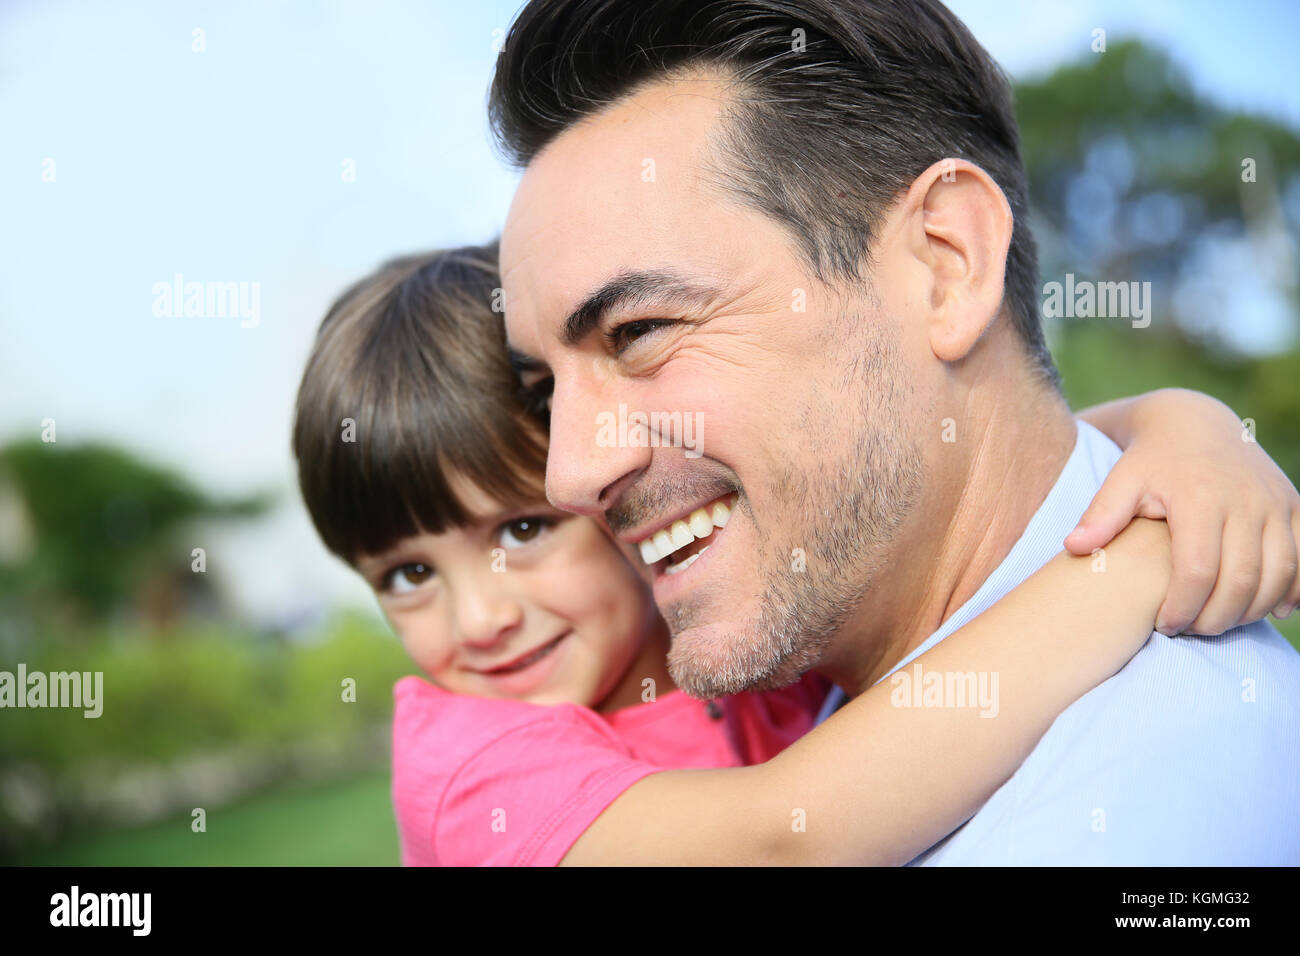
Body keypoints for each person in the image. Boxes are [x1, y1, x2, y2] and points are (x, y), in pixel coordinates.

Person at [491, 0, 1300, 862]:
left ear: (946, 265)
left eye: (639, 332)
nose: (568, 475)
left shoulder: (1143, 813)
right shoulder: (814, 697)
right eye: (545, 392)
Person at [295, 244, 1290, 865]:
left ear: (598, 481)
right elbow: (788, 834)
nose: (480, 617)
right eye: (407, 573)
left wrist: (1181, 425)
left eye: (520, 530)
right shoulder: (468, 770)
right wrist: (1134, 565)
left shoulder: (724, 631)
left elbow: (959, 457)